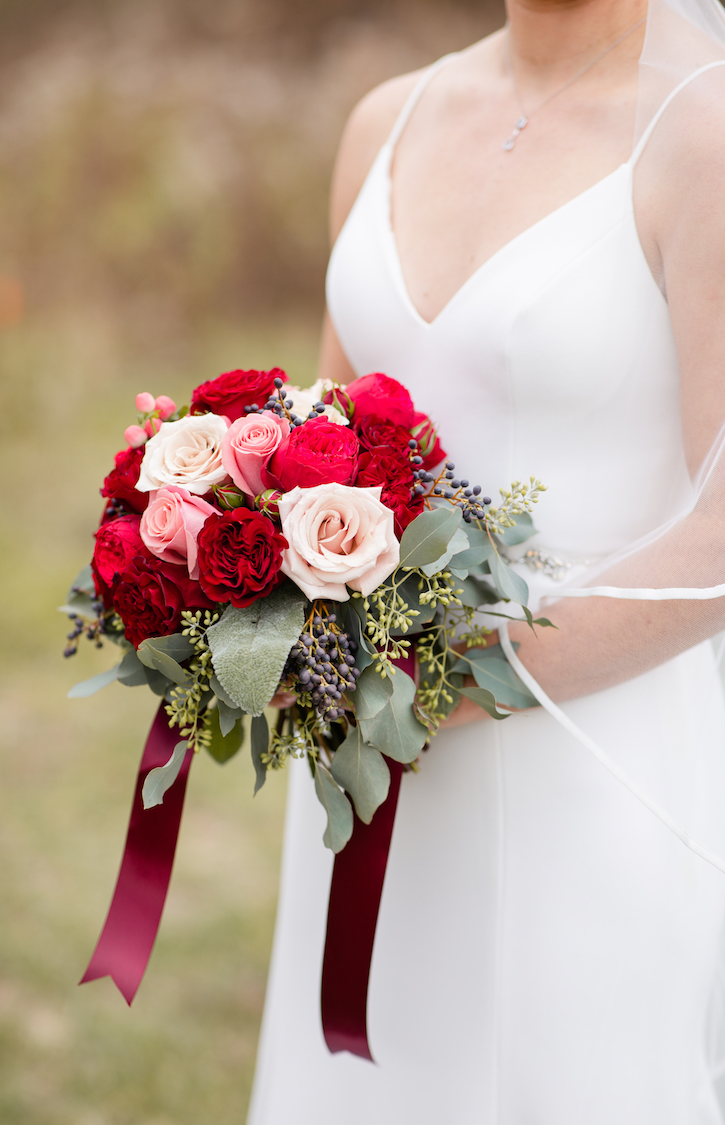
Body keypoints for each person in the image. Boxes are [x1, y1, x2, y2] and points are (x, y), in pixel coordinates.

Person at [248, 1, 725, 1120]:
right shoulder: (385, 120)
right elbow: (329, 438)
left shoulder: (704, 137)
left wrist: (473, 672)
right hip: (370, 755)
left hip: (592, 762)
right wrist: (225, 571)